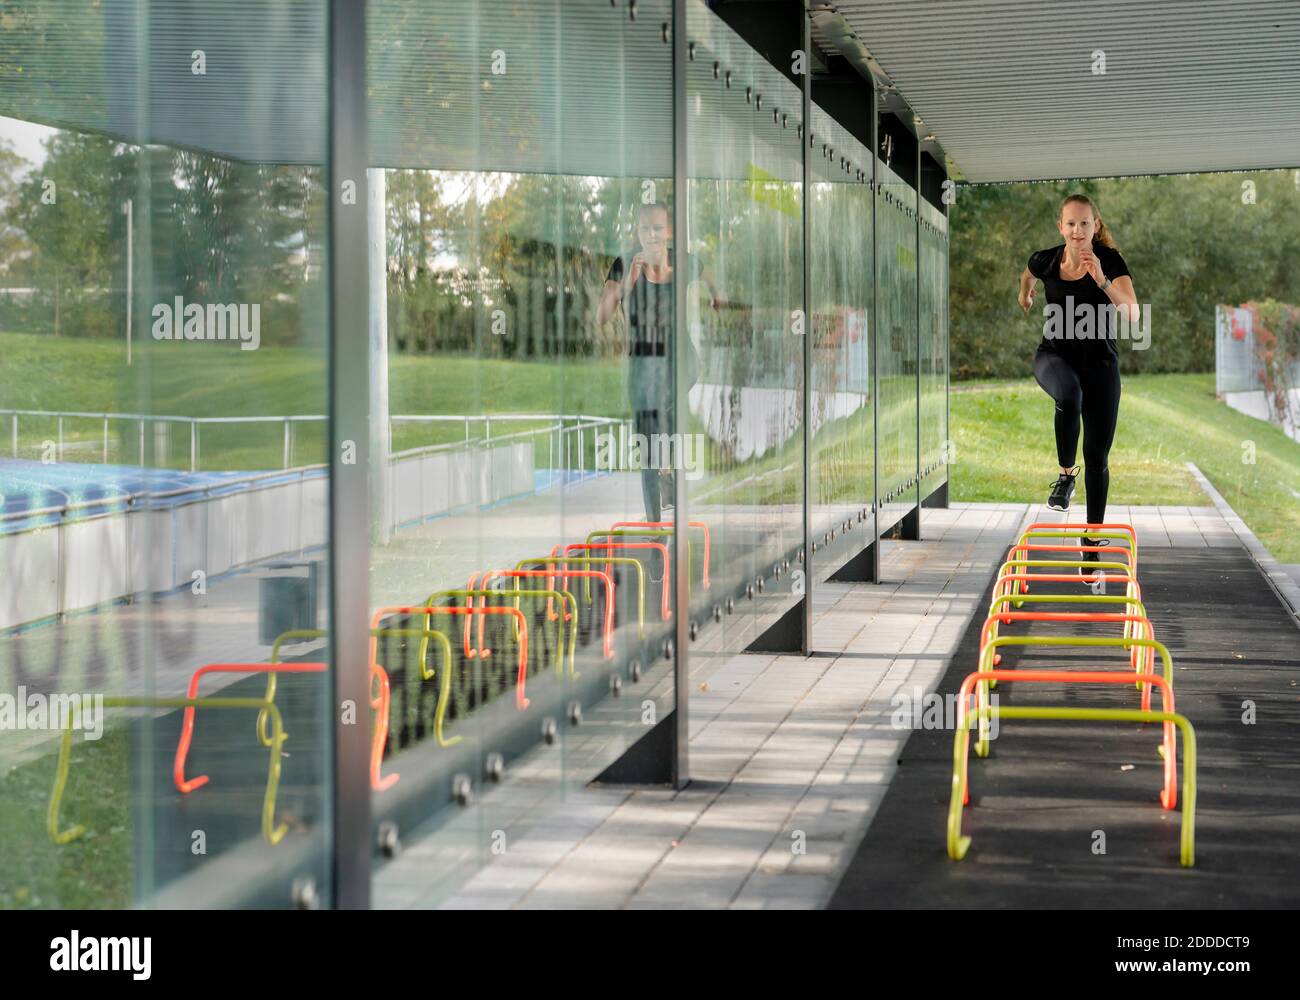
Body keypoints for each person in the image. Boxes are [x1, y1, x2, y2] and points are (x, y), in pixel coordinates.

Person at [1018, 193, 1140, 577]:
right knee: (1069, 396)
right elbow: (1028, 271)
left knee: (1099, 457)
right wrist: (1025, 292)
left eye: (1084, 223)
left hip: (1101, 365)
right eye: (1070, 223)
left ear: (1094, 226)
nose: (1077, 230)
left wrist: (1101, 279)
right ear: (1061, 227)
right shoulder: (1047, 259)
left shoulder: (1110, 262)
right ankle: (1065, 476)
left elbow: (1133, 313)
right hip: (1054, 356)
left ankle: (1091, 544)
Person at [595, 200, 725, 521]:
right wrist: (627, 285)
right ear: (638, 232)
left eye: (658, 228)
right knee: (648, 453)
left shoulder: (682, 261)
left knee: (665, 418)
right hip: (643, 367)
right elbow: (601, 316)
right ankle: (655, 524)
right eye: (645, 229)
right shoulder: (625, 264)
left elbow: (706, 271)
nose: (652, 235)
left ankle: (668, 469)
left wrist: (716, 295)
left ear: (667, 231)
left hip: (680, 363)